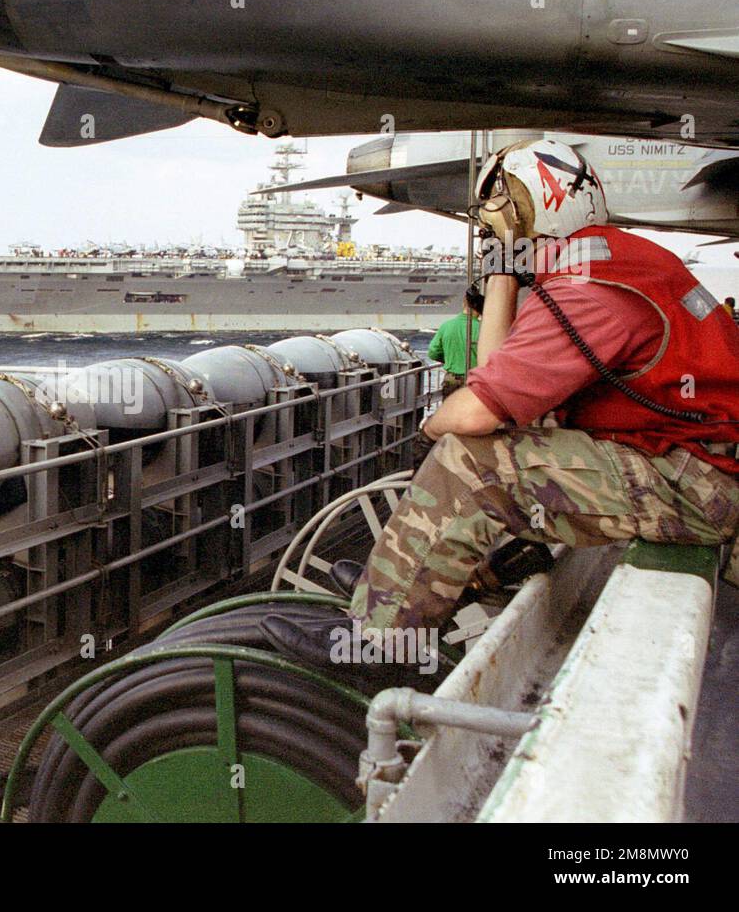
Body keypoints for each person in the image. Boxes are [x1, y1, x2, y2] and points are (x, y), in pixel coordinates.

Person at [265, 138, 739, 650]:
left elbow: (474, 412)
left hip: (699, 486)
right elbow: (503, 383)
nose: (487, 227)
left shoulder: (584, 287)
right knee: (521, 435)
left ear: (526, 207)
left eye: (495, 212)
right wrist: (502, 277)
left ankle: (380, 642)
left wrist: (431, 428)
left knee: (467, 462)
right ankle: (410, 580)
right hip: (693, 469)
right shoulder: (608, 263)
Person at [427, 290, 483, 397]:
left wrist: (449, 359)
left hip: (451, 379)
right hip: (474, 380)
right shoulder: (482, 328)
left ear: (463, 304)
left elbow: (432, 352)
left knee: (449, 411)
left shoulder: (446, 326)